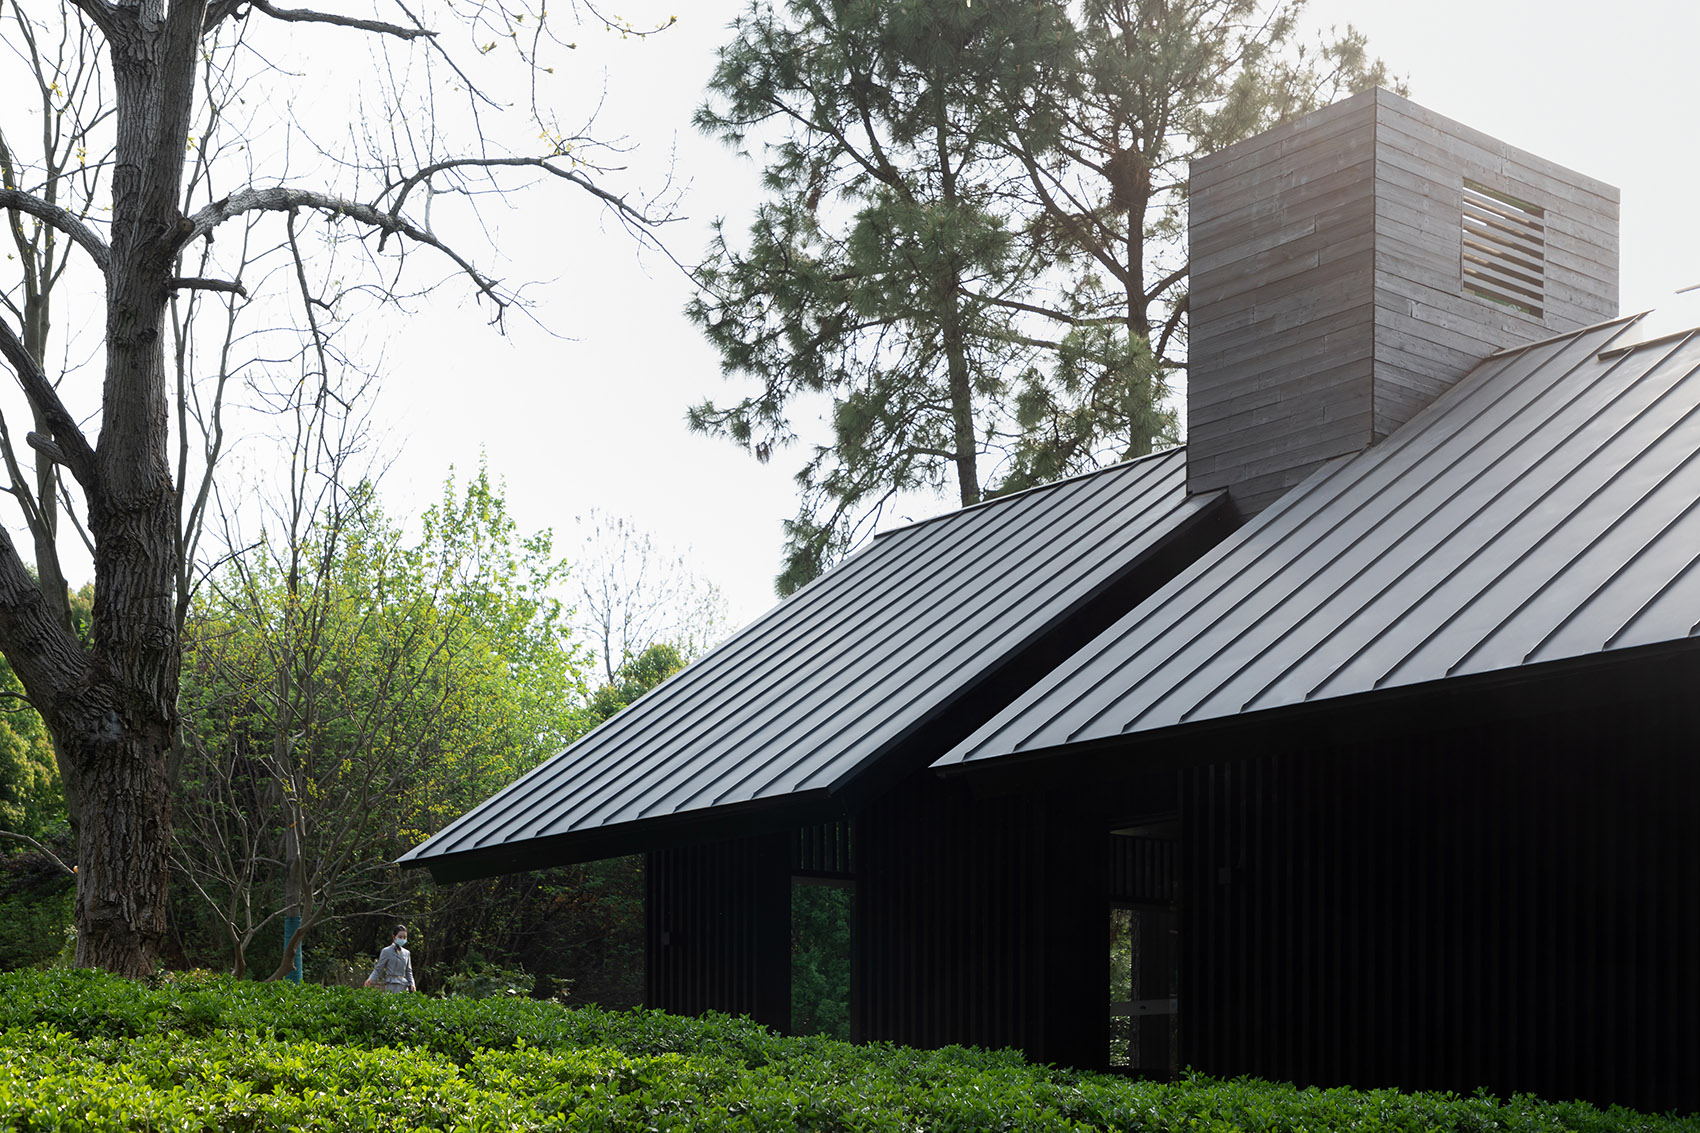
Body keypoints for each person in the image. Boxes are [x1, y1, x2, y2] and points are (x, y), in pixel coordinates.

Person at [364, 924, 415, 993]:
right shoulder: (386, 951)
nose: (402, 939)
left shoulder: (407, 953)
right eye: (400, 937)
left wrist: (412, 984)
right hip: (391, 985)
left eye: (404, 937)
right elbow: (378, 968)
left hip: (403, 986)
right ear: (394, 937)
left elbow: (408, 971)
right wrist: (371, 979)